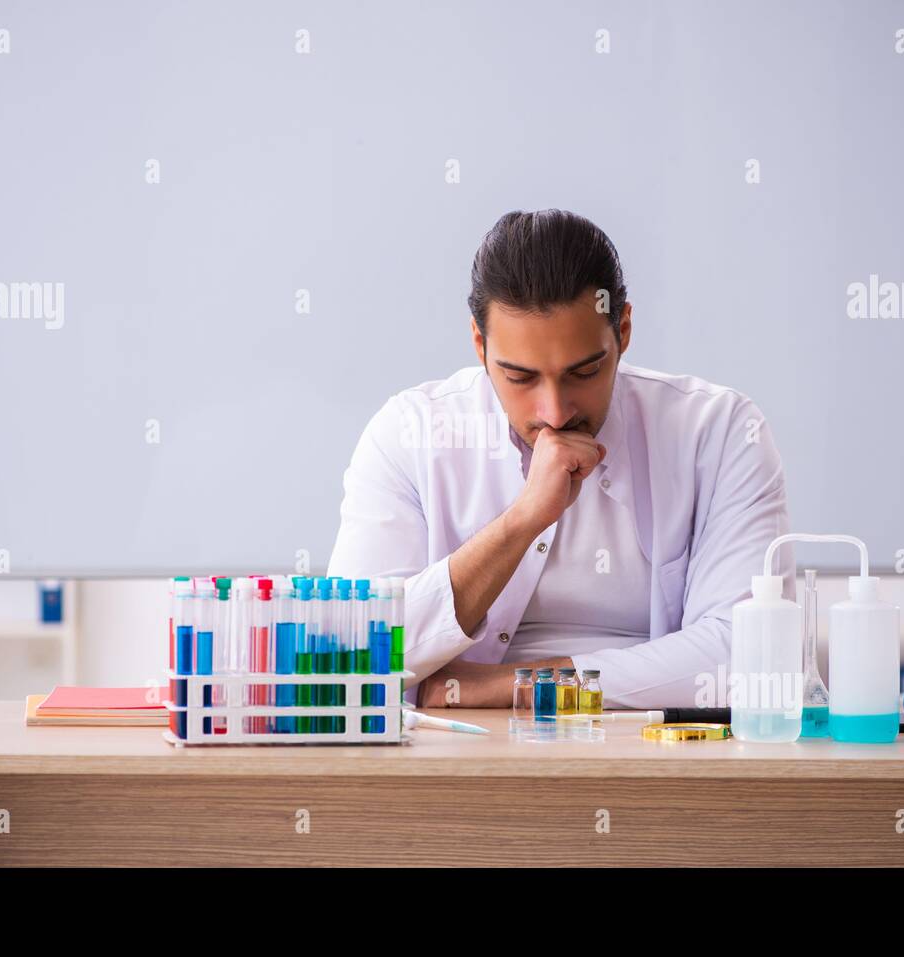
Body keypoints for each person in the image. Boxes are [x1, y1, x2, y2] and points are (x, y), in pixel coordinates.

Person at [327, 209, 793, 709]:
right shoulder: (410, 434)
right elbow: (351, 656)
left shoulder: (717, 431)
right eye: (521, 377)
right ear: (480, 346)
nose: (554, 412)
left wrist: (520, 686)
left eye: (585, 371)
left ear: (624, 333)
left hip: (644, 755)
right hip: (456, 760)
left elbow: (751, 658)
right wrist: (522, 522)